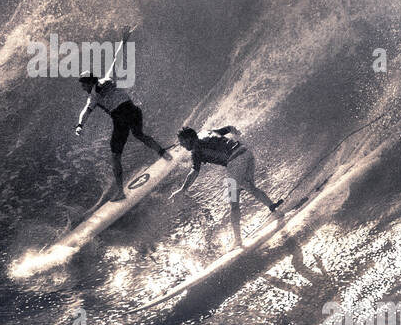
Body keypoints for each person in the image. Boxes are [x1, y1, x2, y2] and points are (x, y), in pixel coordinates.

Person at [169, 125, 282, 249]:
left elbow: (194, 172)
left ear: (189, 139)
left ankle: (238, 240)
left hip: (235, 162)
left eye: (182, 142)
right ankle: (275, 210)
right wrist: (237, 132)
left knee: (233, 202)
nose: (181, 145)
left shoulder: (196, 151)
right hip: (246, 153)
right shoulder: (207, 132)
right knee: (249, 187)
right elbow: (229, 128)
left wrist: (183, 189)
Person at [74, 71, 169, 202]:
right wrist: (80, 124)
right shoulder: (101, 86)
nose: (83, 88)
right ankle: (164, 154)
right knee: (139, 134)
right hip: (134, 111)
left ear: (90, 82)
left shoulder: (97, 92)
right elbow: (85, 111)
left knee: (115, 156)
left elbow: (88, 108)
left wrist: (80, 125)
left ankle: (120, 192)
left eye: (84, 85)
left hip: (121, 117)